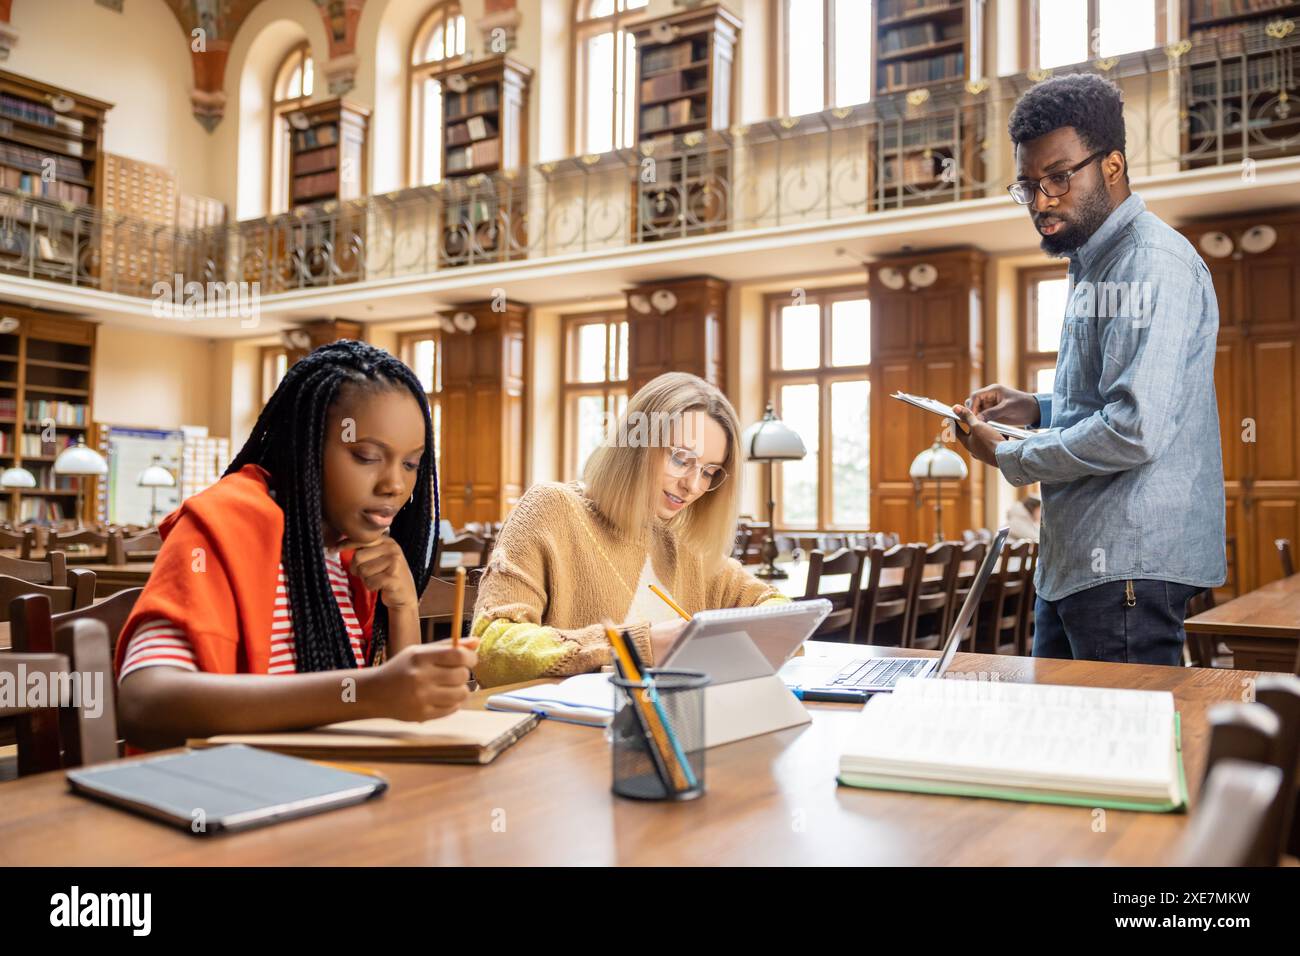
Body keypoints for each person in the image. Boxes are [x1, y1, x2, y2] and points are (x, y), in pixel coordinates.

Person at [952, 74, 1225, 665]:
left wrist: (1009, 455)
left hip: (1125, 567)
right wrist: (1036, 408)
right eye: (1027, 185)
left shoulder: (1146, 263)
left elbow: (1133, 426)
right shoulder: (1093, 262)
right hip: (1075, 564)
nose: (1041, 201)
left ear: (1112, 165)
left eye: (1057, 177)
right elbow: (1113, 401)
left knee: (1119, 750)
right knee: (1061, 744)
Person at [116, 341, 477, 750]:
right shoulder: (224, 525)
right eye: (366, 455)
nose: (394, 484)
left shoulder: (352, 557)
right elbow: (144, 703)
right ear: (303, 445)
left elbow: (403, 718)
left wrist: (404, 608)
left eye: (411, 464)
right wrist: (367, 691)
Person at [471, 372, 788, 687]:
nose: (693, 485)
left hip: (669, 724)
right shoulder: (551, 508)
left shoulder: (682, 542)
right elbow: (489, 648)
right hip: (565, 731)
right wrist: (634, 646)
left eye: (709, 471)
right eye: (680, 459)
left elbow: (777, 609)